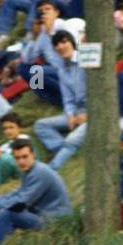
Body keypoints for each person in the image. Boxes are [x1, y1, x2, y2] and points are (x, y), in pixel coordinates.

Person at [33, 30, 88, 169]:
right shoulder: (62, 68)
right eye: (56, 44)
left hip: (94, 110)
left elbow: (101, 91)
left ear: (72, 43)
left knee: (72, 139)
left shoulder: (85, 59)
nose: (60, 47)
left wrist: (88, 115)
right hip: (77, 110)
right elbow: (68, 98)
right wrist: (70, 115)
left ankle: (53, 166)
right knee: (40, 125)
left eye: (64, 42)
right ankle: (61, 150)